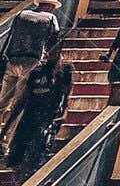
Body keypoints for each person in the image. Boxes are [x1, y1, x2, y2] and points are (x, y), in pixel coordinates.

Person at [0, 0, 61, 158]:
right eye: (53, 7)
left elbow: (10, 36)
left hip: (12, 61)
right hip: (31, 64)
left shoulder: (22, 15)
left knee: (2, 102)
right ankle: (5, 143)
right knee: (17, 107)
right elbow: (54, 42)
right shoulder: (50, 19)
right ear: (49, 6)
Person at [7, 40, 72, 171]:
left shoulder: (64, 70)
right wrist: (8, 123)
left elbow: (67, 94)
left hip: (49, 111)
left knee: (39, 143)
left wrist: (64, 113)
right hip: (31, 111)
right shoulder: (37, 71)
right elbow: (25, 96)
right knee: (18, 146)